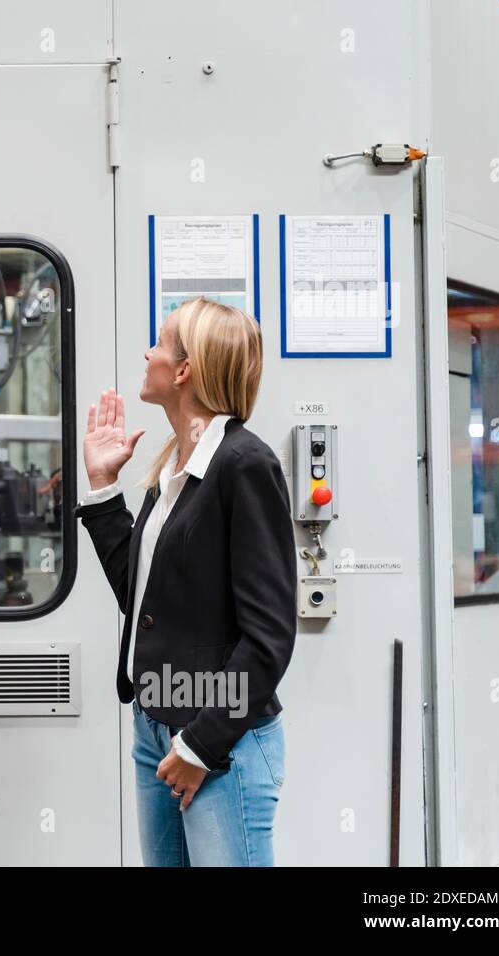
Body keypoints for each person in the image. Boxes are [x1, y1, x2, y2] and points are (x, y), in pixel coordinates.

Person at [77, 296, 296, 866]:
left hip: (221, 743)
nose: (147, 351)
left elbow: (269, 637)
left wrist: (201, 744)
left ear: (183, 370)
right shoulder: (175, 468)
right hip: (155, 727)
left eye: (160, 341)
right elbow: (142, 593)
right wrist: (103, 488)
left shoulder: (244, 465)